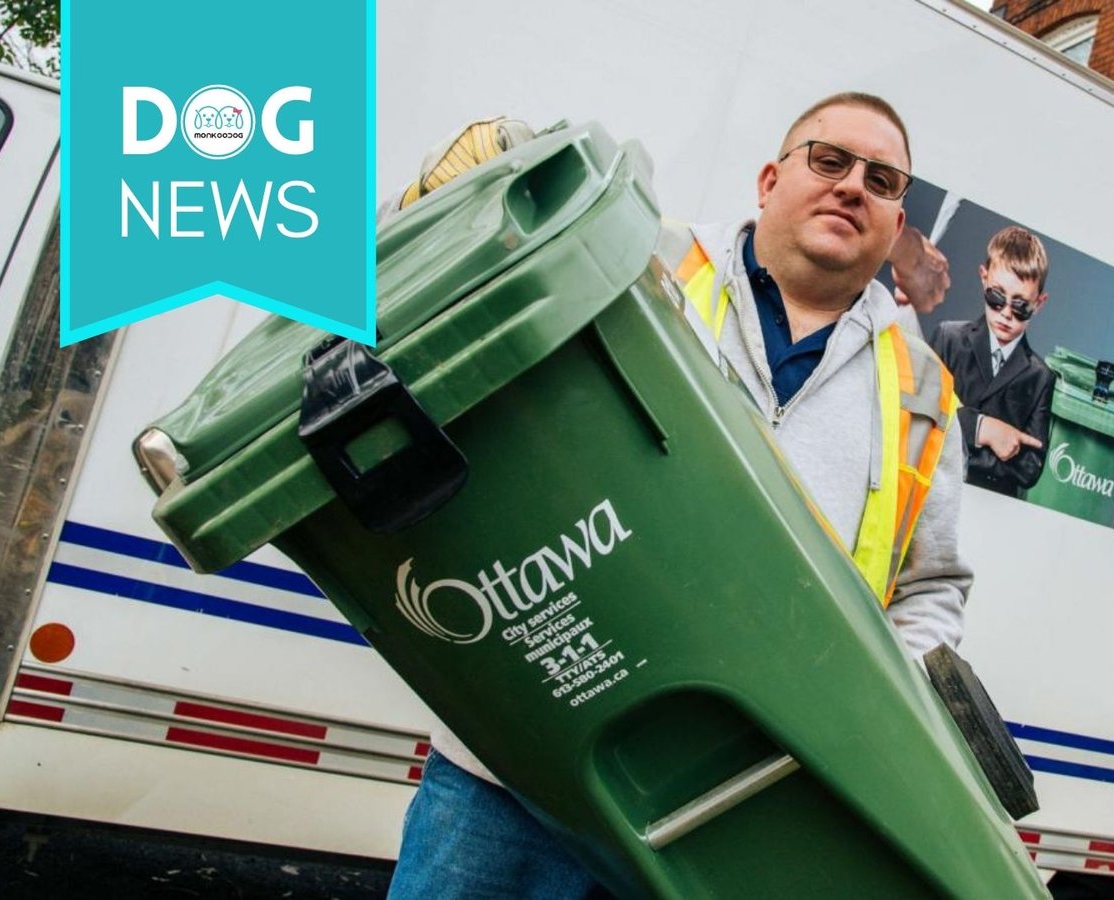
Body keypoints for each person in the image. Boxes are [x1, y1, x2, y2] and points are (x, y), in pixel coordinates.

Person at [385, 93, 972, 899]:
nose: (852, 187)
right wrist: (443, 197)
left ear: (898, 222)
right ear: (770, 179)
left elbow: (931, 588)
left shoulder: (924, 393)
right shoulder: (636, 259)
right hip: (523, 768)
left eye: (882, 179)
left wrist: (874, 713)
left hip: (724, 808)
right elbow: (432, 282)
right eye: (828, 160)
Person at [929, 226, 1057, 499]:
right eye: (996, 298)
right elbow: (923, 418)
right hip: (934, 491)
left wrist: (957, 434)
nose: (1006, 314)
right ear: (984, 279)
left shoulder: (1041, 377)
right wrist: (982, 429)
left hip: (993, 507)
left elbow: (1029, 469)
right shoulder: (948, 339)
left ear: (1040, 303)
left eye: (1021, 306)